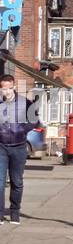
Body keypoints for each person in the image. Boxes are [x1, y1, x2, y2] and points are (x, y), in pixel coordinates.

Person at [0, 74, 35, 224]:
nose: (6, 91)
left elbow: (34, 121)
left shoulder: (25, 103)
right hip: (1, 146)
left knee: (17, 181)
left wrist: (22, 130)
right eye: (3, 88)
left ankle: (15, 212)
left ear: (13, 87)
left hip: (19, 146)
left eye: (9, 88)